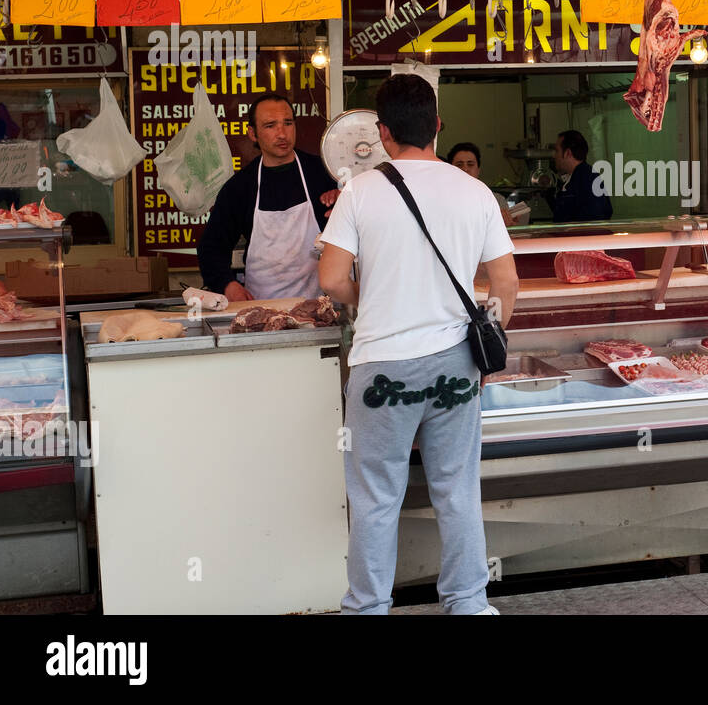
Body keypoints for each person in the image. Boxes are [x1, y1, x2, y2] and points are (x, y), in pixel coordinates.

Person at [318, 74, 519, 616]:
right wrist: (490, 345)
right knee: (456, 489)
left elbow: (332, 279)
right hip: (455, 360)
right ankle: (468, 603)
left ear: (383, 134)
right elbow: (505, 284)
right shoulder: (474, 191)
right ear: (437, 126)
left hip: (381, 367)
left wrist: (371, 294)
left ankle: (368, 608)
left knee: (376, 499)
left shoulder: (360, 191)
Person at [197, 94, 338, 302]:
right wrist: (227, 285)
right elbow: (211, 247)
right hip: (262, 310)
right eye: (270, 126)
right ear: (253, 134)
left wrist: (344, 203)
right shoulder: (240, 188)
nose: (282, 134)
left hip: (322, 305)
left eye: (288, 123)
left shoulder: (324, 173)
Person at [446, 141, 515, 227]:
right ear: (449, 169)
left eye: (470, 164)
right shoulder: (442, 200)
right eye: (459, 165)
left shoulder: (497, 200)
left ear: (478, 170)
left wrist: (507, 225)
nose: (465, 169)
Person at [550, 129, 612, 222]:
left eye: (557, 151)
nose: (554, 156)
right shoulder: (577, 177)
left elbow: (596, 216)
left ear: (568, 153)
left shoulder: (586, 178)